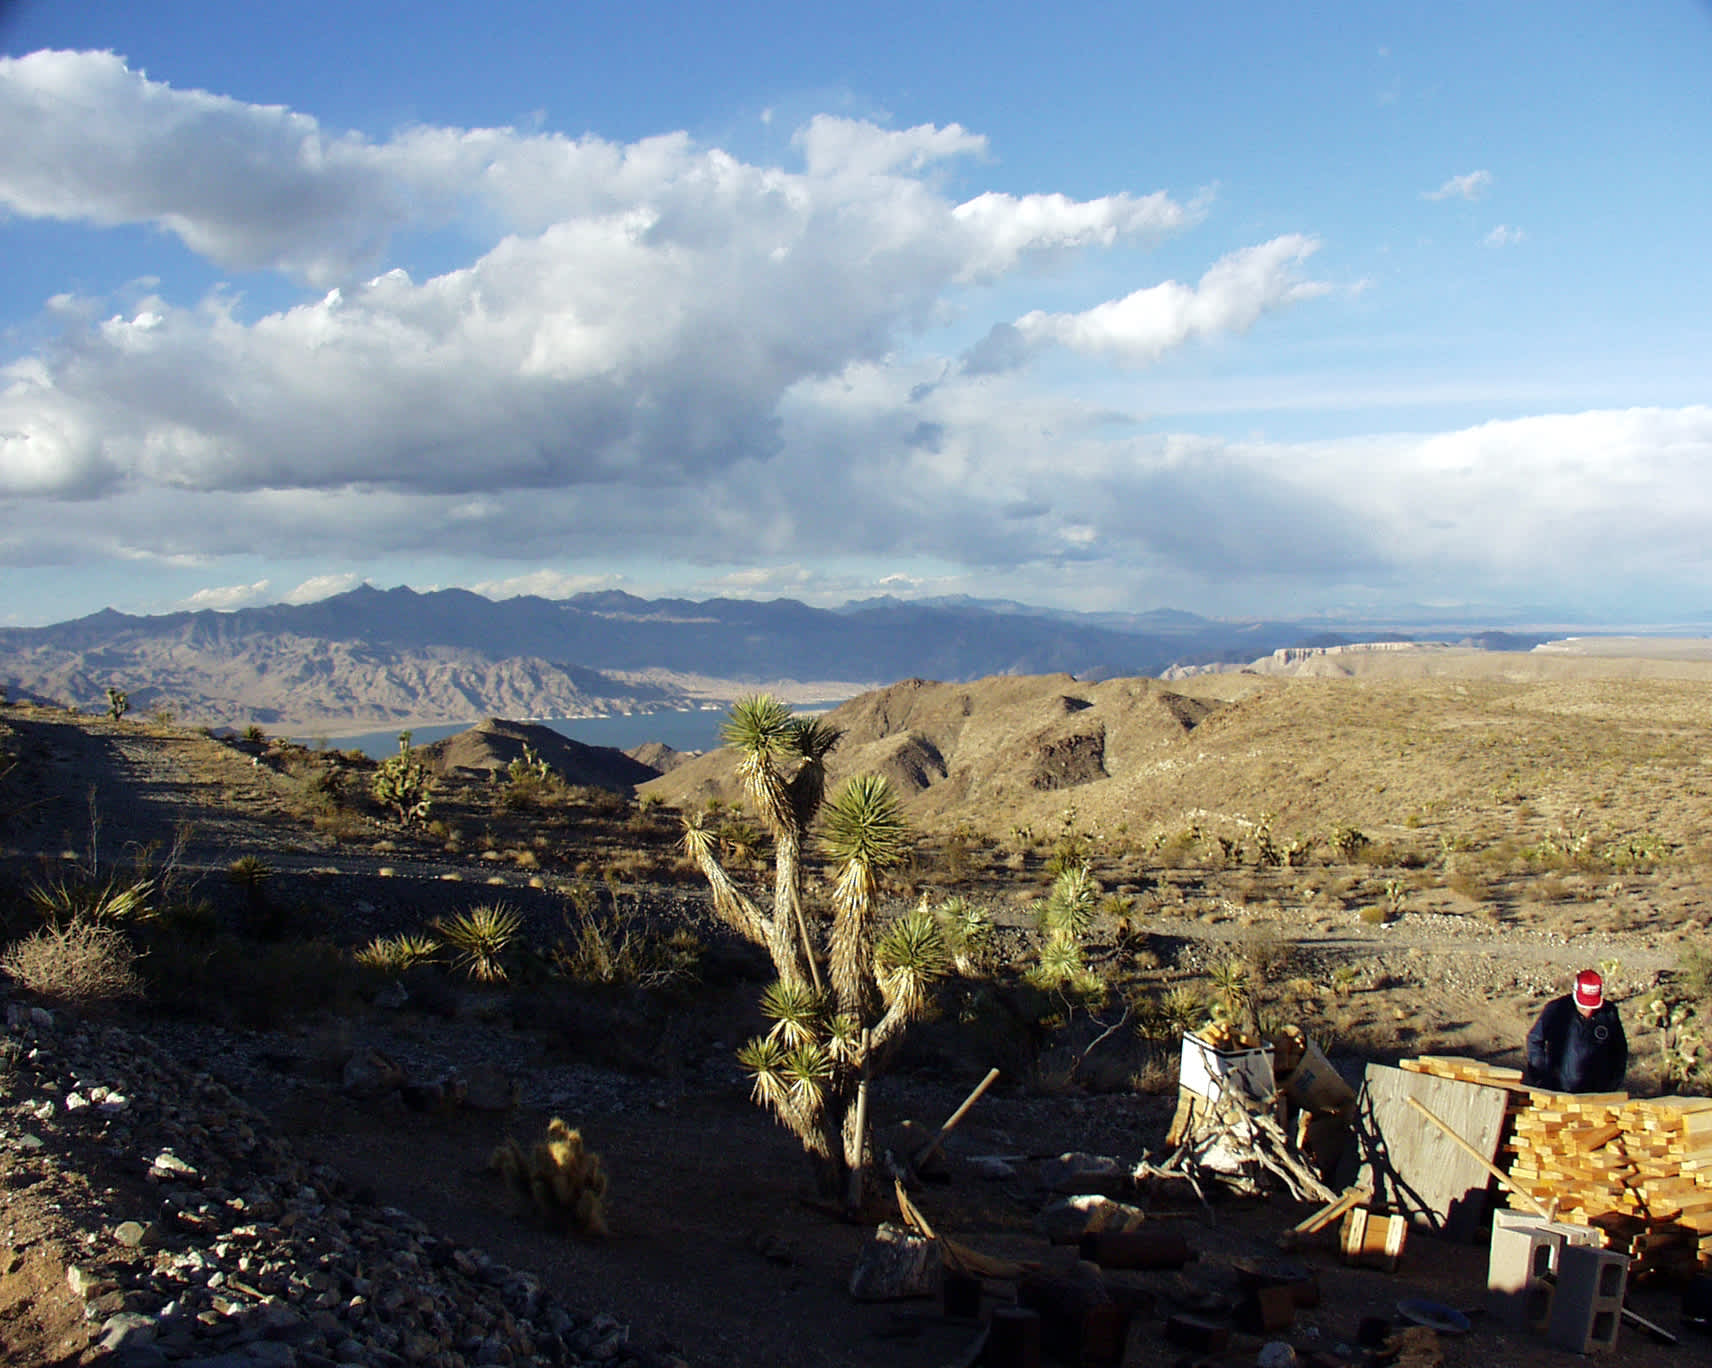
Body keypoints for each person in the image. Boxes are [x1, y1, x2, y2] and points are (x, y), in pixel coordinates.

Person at [1523, 969, 1627, 1094]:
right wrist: (1540, 1076)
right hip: (1559, 1091)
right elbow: (1535, 1040)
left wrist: (1613, 1083)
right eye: (1584, 1006)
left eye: (1592, 1006)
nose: (1588, 1010)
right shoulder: (1557, 1010)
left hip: (1597, 1094)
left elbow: (1620, 1051)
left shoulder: (1609, 1013)